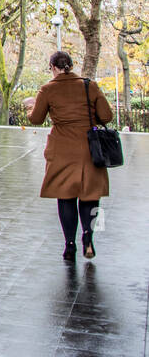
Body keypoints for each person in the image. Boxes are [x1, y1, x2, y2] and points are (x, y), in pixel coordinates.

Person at [23, 50, 113, 261]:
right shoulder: (89, 85)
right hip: (89, 150)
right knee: (90, 196)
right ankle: (88, 237)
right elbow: (107, 116)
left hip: (62, 150)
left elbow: (36, 119)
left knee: (66, 197)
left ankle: (69, 244)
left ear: (53, 67)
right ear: (71, 66)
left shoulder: (48, 89)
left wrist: (30, 108)